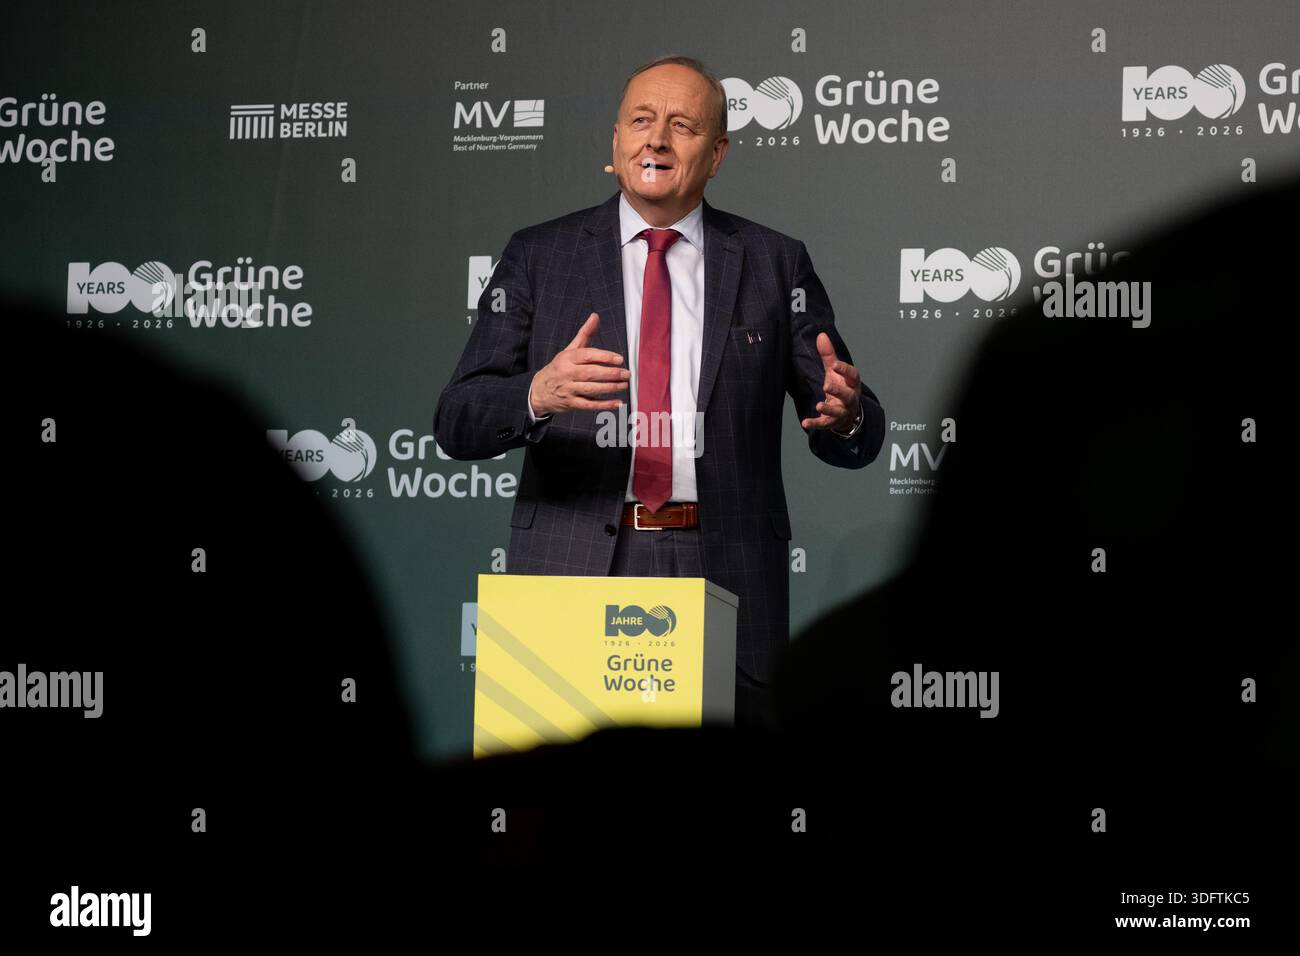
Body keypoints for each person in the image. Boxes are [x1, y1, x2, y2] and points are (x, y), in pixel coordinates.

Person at [434, 55, 886, 731]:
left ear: (717, 153)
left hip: (723, 568)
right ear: (616, 139)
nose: (657, 139)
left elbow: (852, 429)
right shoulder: (539, 255)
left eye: (683, 125)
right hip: (573, 563)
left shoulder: (774, 261)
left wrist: (846, 415)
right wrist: (538, 393)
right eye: (642, 120)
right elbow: (456, 421)